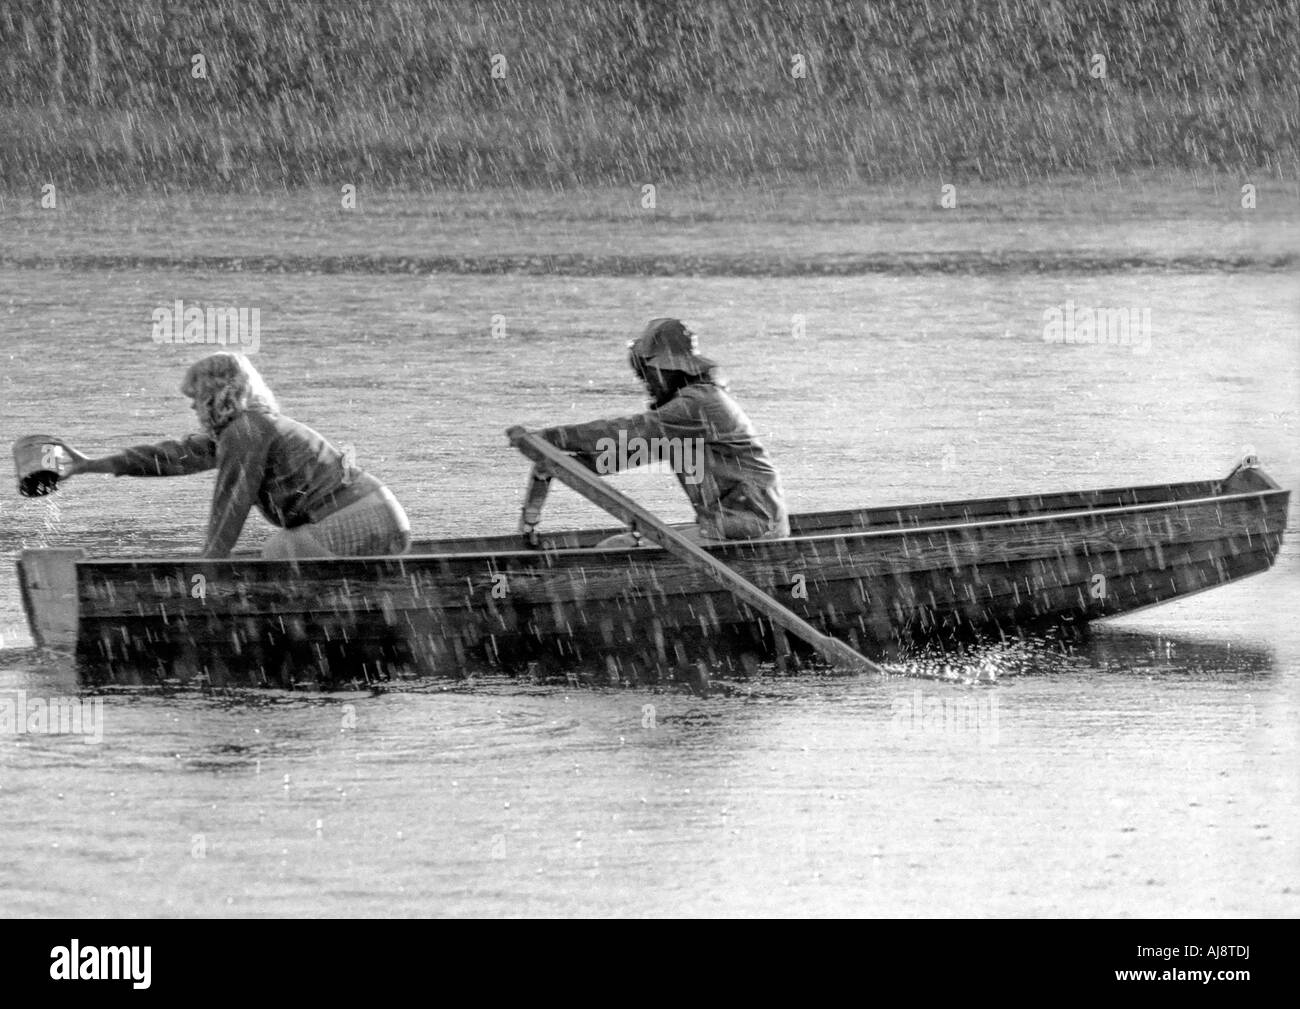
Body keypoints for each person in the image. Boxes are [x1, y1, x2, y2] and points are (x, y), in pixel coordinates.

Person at [61, 352, 411, 559]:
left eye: (195, 396)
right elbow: (174, 456)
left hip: (357, 519)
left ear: (215, 395)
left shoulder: (244, 432)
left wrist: (207, 570)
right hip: (381, 515)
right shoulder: (248, 429)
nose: (192, 405)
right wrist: (90, 464)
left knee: (278, 552)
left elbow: (232, 503)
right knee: (283, 552)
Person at [524, 318, 789, 547]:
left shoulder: (697, 405)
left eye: (648, 372)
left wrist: (552, 437)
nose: (645, 381)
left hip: (752, 528)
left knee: (619, 550)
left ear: (673, 369)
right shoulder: (683, 416)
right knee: (617, 545)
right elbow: (621, 456)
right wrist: (559, 464)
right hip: (733, 527)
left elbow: (627, 431)